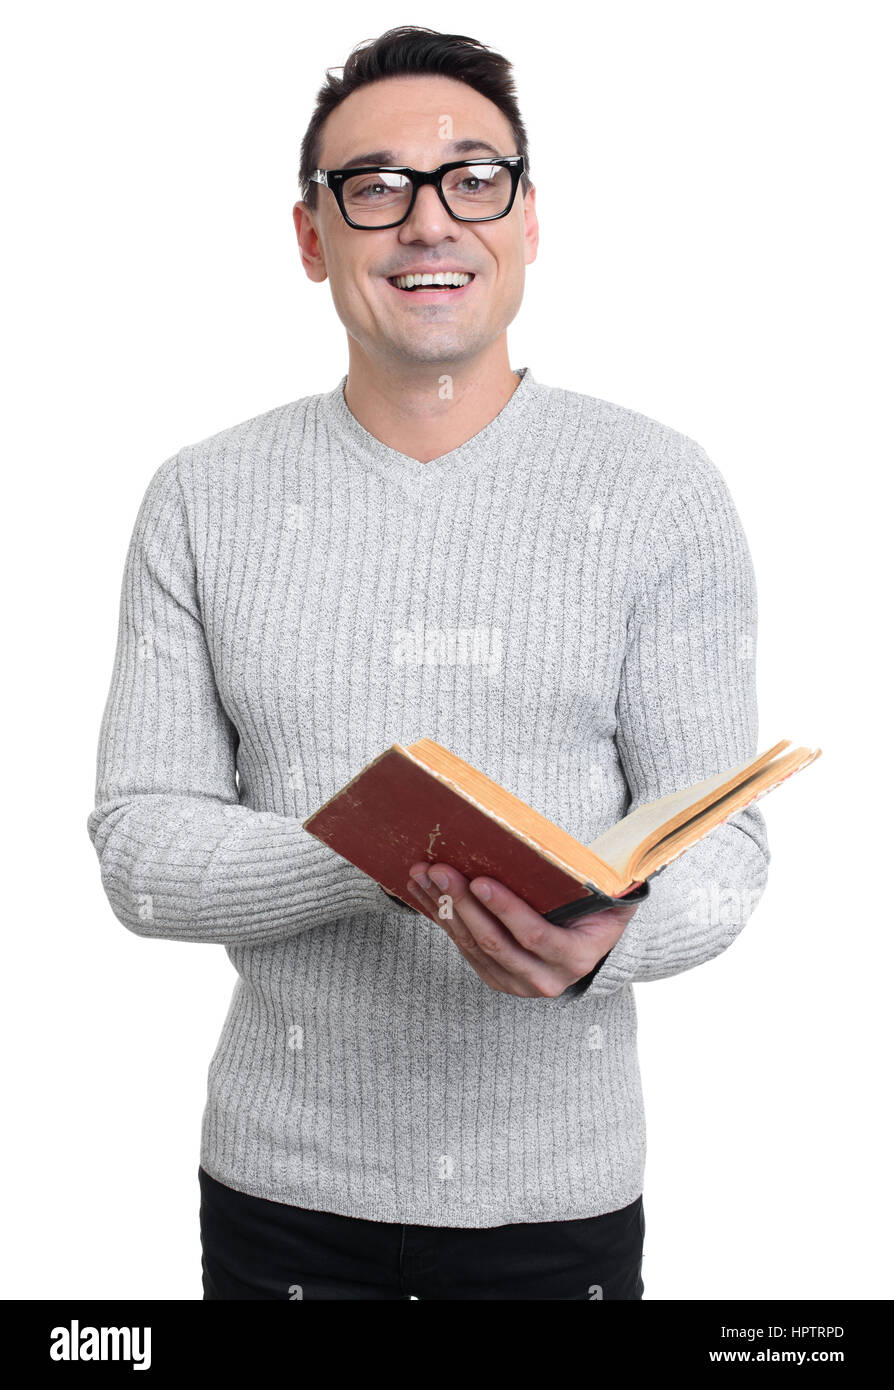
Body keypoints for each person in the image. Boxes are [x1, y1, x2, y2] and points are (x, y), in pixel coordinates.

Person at [87, 25, 770, 1300]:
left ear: (526, 220)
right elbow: (138, 846)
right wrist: (374, 853)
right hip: (280, 1199)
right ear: (312, 239)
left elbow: (725, 849)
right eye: (375, 186)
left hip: (557, 1203)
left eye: (472, 179)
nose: (427, 221)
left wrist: (603, 941)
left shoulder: (659, 488)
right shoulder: (200, 498)